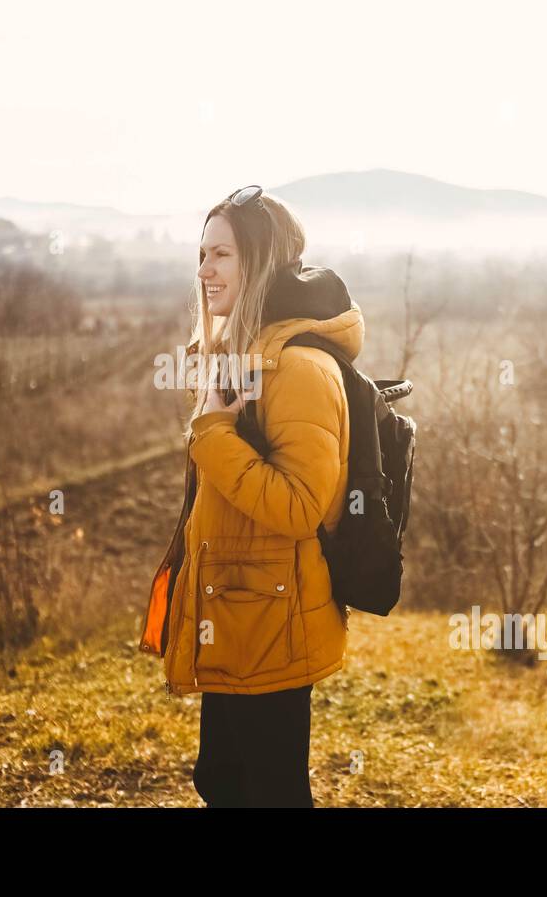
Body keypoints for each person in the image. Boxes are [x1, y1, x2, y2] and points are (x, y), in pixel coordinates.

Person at [138, 184, 365, 807]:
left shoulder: (297, 368)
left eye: (222, 256)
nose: (204, 271)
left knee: (269, 794)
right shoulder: (237, 357)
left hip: (275, 617)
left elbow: (299, 506)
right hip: (236, 611)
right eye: (202, 254)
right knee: (223, 783)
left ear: (261, 260)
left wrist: (211, 431)